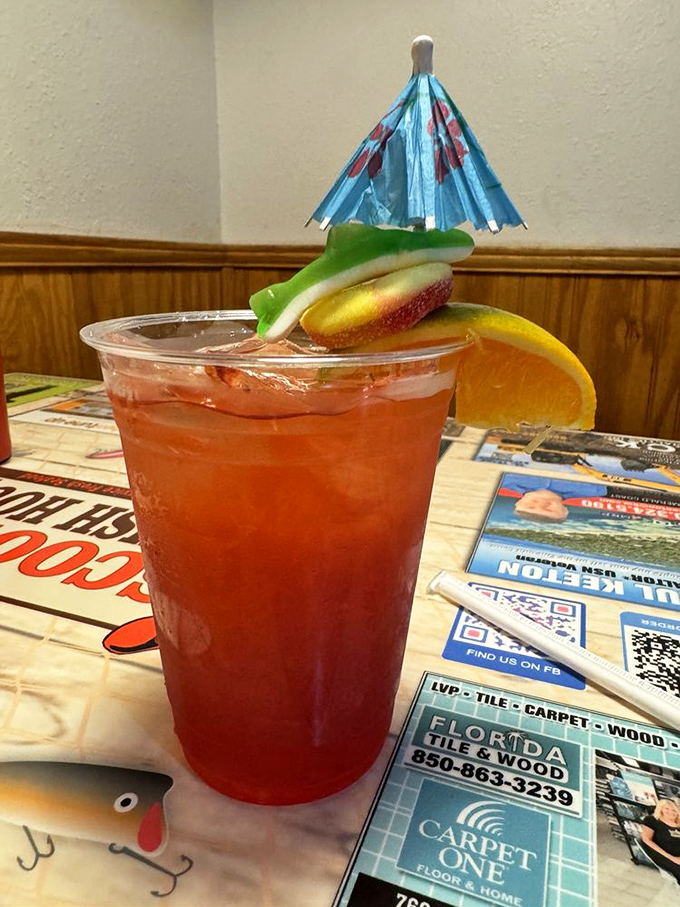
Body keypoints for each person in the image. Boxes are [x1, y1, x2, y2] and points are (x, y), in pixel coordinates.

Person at [499, 475, 607, 524]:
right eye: (549, 510)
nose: (541, 505)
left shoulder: (504, 480)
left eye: (530, 507)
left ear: (518, 503)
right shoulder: (594, 490)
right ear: (565, 510)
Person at [640, 799, 680, 883]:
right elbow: (646, 839)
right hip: (663, 853)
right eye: (666, 809)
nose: (670, 812)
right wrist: (673, 858)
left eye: (674, 810)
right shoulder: (651, 820)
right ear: (661, 808)